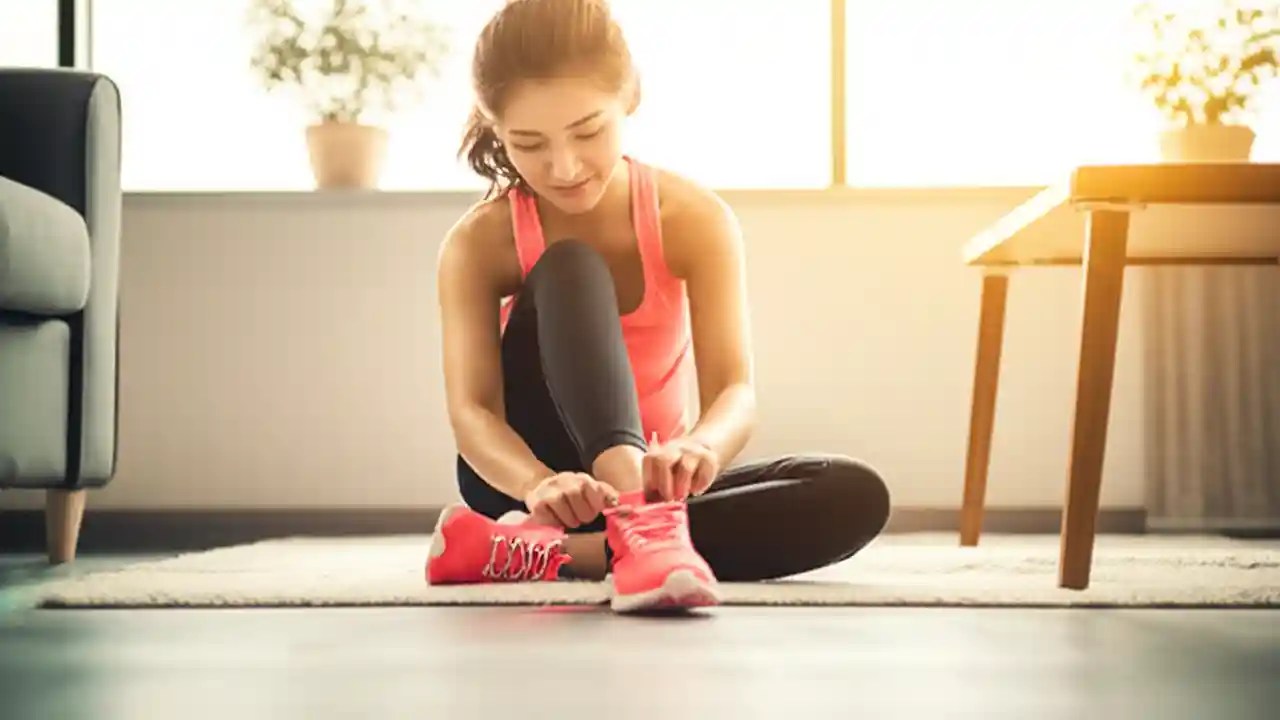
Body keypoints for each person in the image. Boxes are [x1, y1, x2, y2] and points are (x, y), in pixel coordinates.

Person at [425, 0, 890, 612]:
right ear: (495, 127)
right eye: (528, 144)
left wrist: (701, 448)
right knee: (570, 264)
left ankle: (553, 552)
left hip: (650, 488)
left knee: (853, 493)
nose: (562, 167)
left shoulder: (692, 217)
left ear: (630, 99)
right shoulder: (478, 242)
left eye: (588, 131)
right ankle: (612, 529)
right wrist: (538, 483)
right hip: (527, 482)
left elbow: (735, 392)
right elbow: (473, 411)